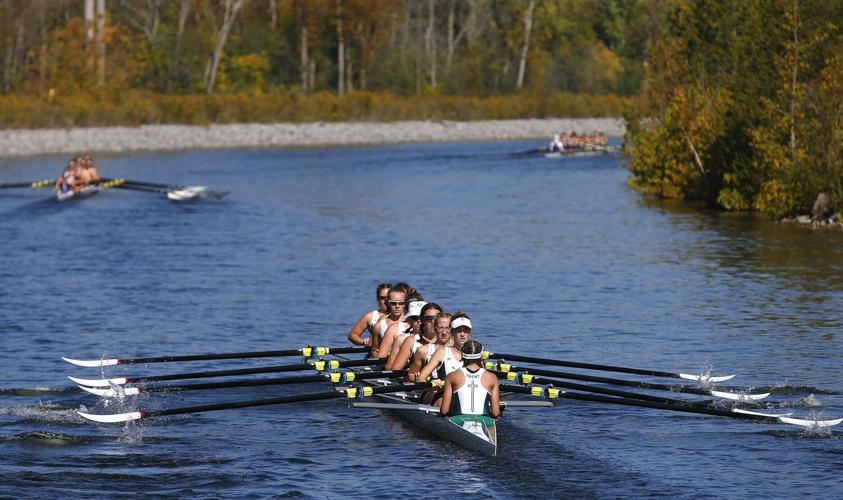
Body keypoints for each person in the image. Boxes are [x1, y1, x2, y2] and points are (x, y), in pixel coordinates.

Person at [439, 339, 501, 419]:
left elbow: (444, 410)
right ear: (481, 356)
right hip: (484, 421)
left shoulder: (451, 376)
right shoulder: (492, 377)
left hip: (458, 421)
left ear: (462, 354)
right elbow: (496, 413)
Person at [416, 311, 473, 383]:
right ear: (452, 332)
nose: (462, 334)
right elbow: (420, 379)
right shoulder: (442, 352)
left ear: (470, 333)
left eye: (466, 330)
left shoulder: (476, 352)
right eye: (458, 330)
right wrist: (433, 383)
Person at [386, 302, 442, 371]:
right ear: (422, 320)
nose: (433, 322)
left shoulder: (450, 340)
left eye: (437, 318)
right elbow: (396, 369)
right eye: (429, 319)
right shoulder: (410, 341)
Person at [405, 311, 451, 381]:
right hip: (431, 390)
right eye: (440, 328)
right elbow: (411, 375)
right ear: (435, 329)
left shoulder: (460, 350)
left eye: (447, 328)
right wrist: (421, 379)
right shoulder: (423, 351)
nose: (444, 332)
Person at [369, 284, 411, 356]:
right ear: (388, 303)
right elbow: (374, 351)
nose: (397, 306)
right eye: (393, 303)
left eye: (401, 303)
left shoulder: (412, 322)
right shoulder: (378, 326)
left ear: (405, 303)